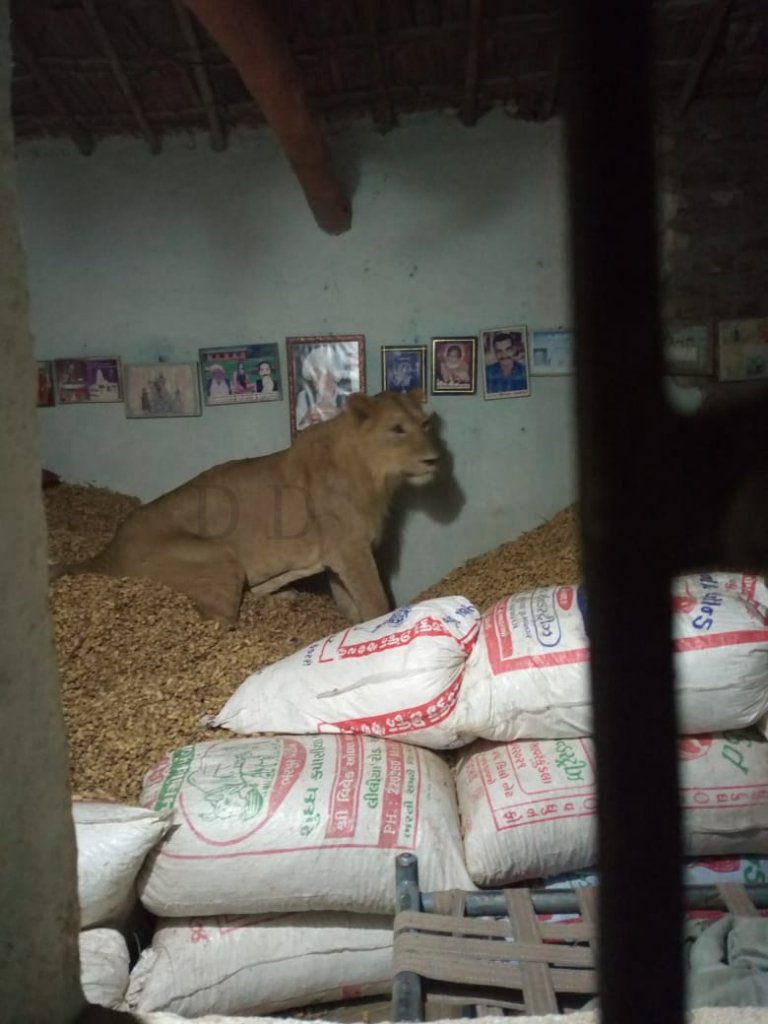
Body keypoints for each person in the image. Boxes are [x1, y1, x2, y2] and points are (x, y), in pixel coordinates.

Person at [295, 348, 348, 431]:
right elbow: (297, 429)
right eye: (313, 375)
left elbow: (354, 430)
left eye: (320, 373)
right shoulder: (304, 396)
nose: (315, 379)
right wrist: (307, 418)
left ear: (333, 374)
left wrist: (338, 415)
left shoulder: (347, 398)